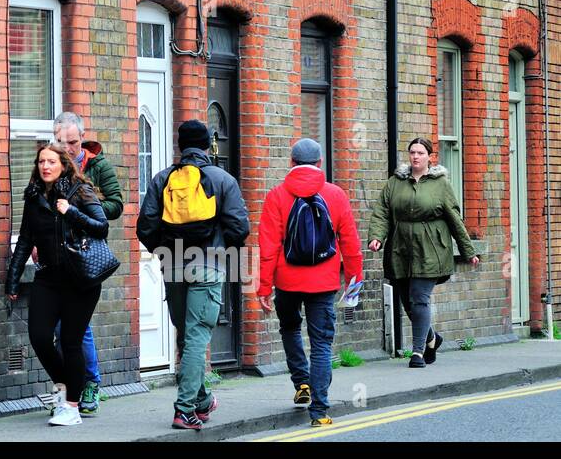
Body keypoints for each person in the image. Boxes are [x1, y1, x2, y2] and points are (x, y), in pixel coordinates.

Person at [137, 119, 250, 431]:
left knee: (186, 336)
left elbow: (145, 228)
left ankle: (201, 401)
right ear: (206, 146)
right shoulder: (222, 179)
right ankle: (184, 409)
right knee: (197, 336)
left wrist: (164, 251)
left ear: (180, 146)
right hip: (209, 263)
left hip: (173, 263)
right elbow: (240, 228)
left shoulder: (163, 180)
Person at [257, 138, 363, 427]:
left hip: (286, 281)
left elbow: (268, 247)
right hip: (324, 283)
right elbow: (351, 244)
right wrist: (354, 283)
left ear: (291, 162)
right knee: (321, 344)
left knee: (290, 328)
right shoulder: (336, 195)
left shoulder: (276, 196)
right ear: (319, 163)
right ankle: (320, 412)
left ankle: (301, 383)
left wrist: (264, 287)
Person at [6, 142, 108, 427]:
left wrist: (70, 212)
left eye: (51, 161)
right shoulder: (34, 196)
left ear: (63, 164)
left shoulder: (80, 191)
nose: (46, 166)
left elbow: (102, 226)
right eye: (41, 162)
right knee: (39, 337)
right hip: (48, 278)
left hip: (80, 279)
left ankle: (71, 407)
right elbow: (26, 240)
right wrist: (12, 281)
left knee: (70, 342)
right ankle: (66, 384)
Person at [368, 137, 480, 368]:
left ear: (429, 156)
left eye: (420, 152)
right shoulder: (395, 182)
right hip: (400, 249)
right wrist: (376, 237)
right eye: (412, 152)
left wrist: (469, 251)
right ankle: (431, 339)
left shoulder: (441, 184)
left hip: (431, 248)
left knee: (419, 298)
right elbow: (382, 212)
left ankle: (417, 352)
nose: (416, 156)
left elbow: (455, 219)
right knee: (407, 302)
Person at [52, 111, 123, 414]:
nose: (67, 148)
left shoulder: (97, 166)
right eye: (60, 142)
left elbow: (116, 205)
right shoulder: (49, 165)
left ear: (82, 138)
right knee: (57, 326)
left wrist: (83, 206)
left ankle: (90, 384)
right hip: (55, 253)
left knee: (79, 325)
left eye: (73, 141)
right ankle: (69, 389)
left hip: (85, 254)